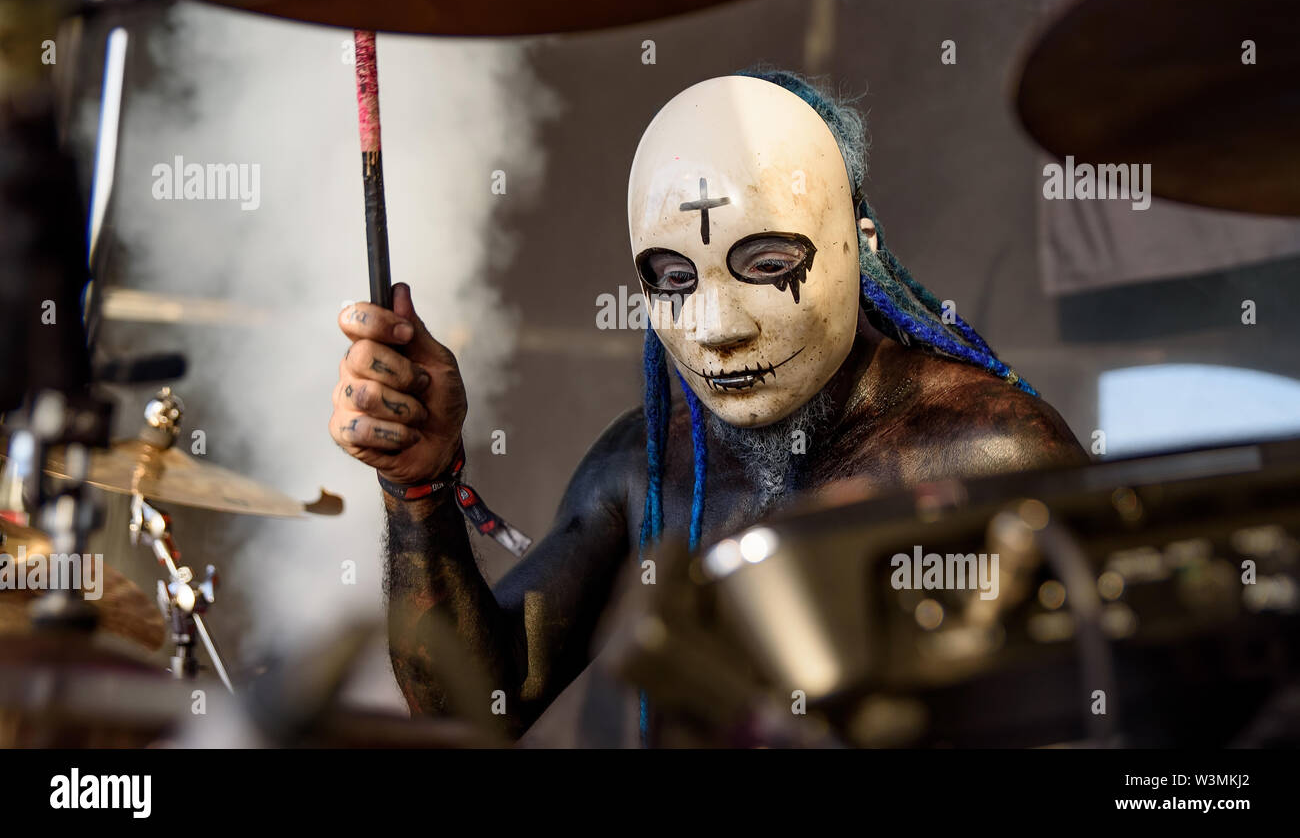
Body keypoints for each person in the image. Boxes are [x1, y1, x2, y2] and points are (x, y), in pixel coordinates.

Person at [328, 69, 1087, 743]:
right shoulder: (646, 461)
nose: (718, 329)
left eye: (768, 265)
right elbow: (476, 708)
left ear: (859, 246)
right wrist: (416, 488)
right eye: (674, 277)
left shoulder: (989, 451)